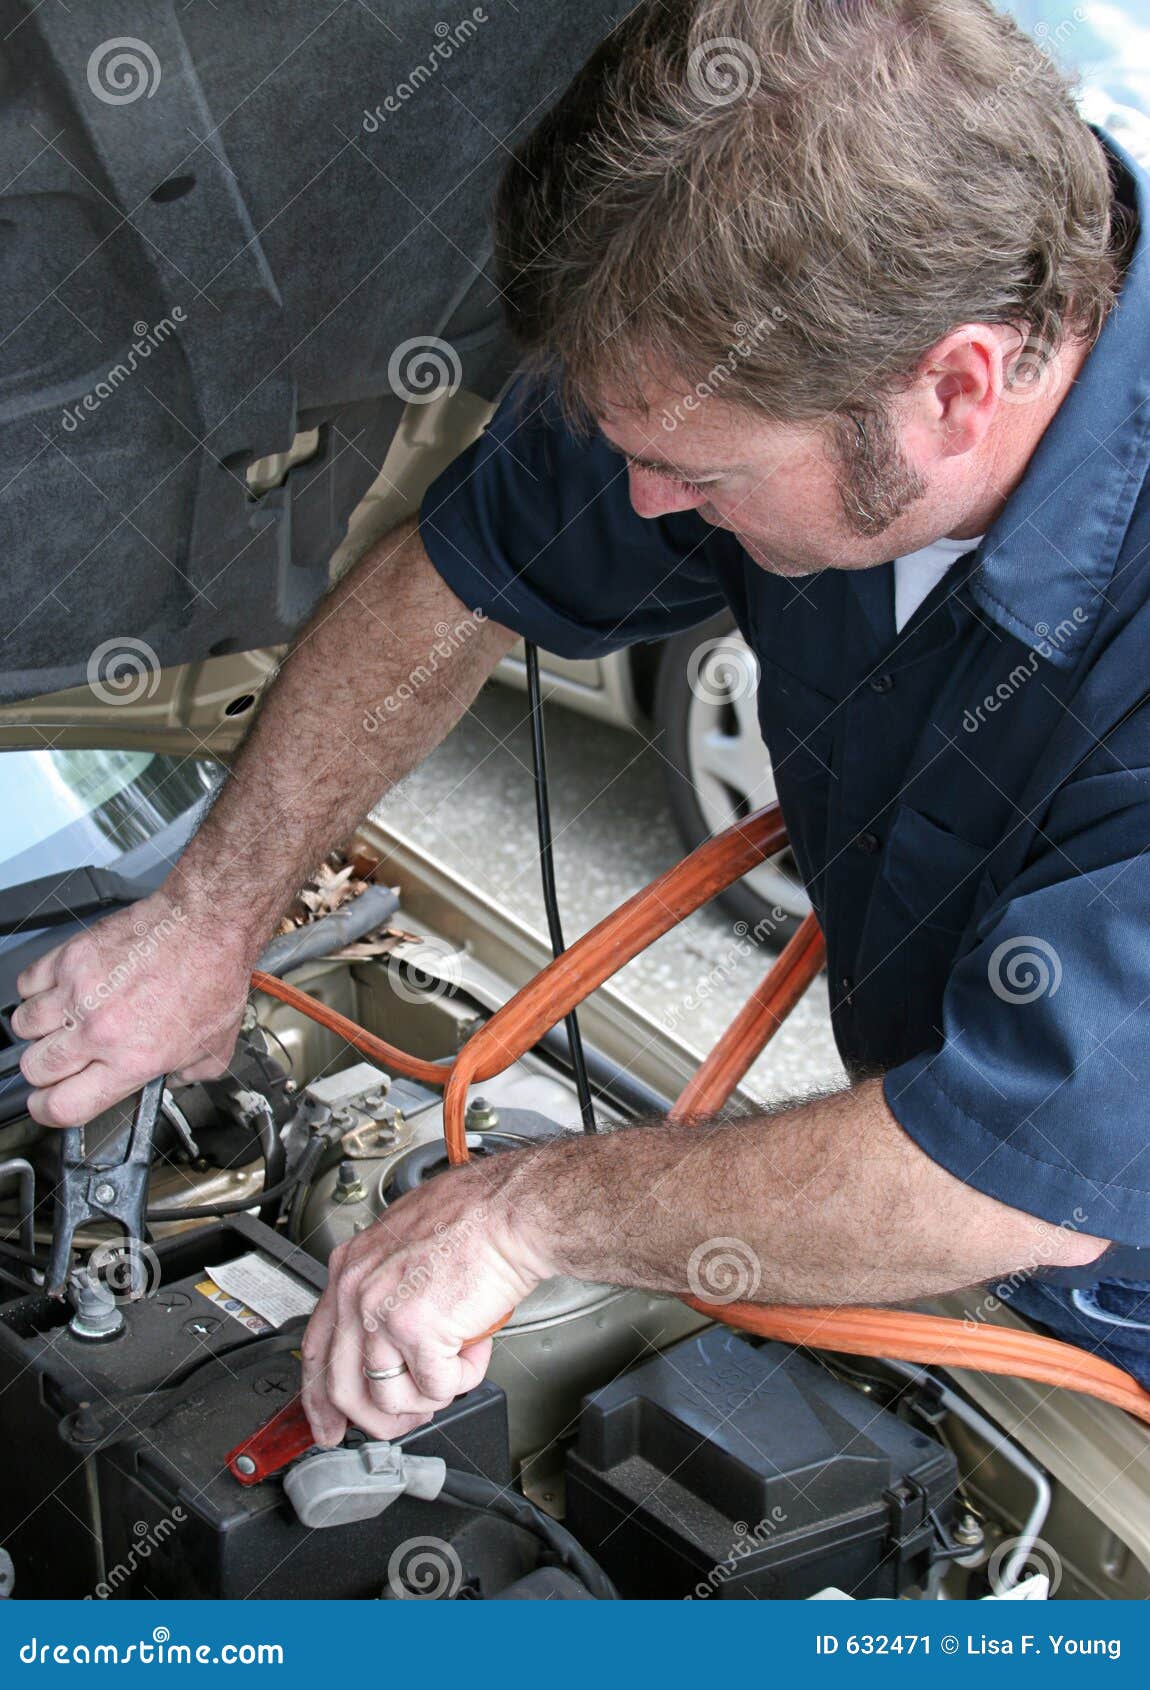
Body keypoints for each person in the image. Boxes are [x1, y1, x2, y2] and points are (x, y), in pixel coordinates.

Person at [13, 0, 1150, 1448]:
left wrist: (519, 1212)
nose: (651, 508)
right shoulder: (767, 307)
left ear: (955, 387)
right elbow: (463, 575)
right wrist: (210, 920)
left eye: (697, 474)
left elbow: (1001, 1170)